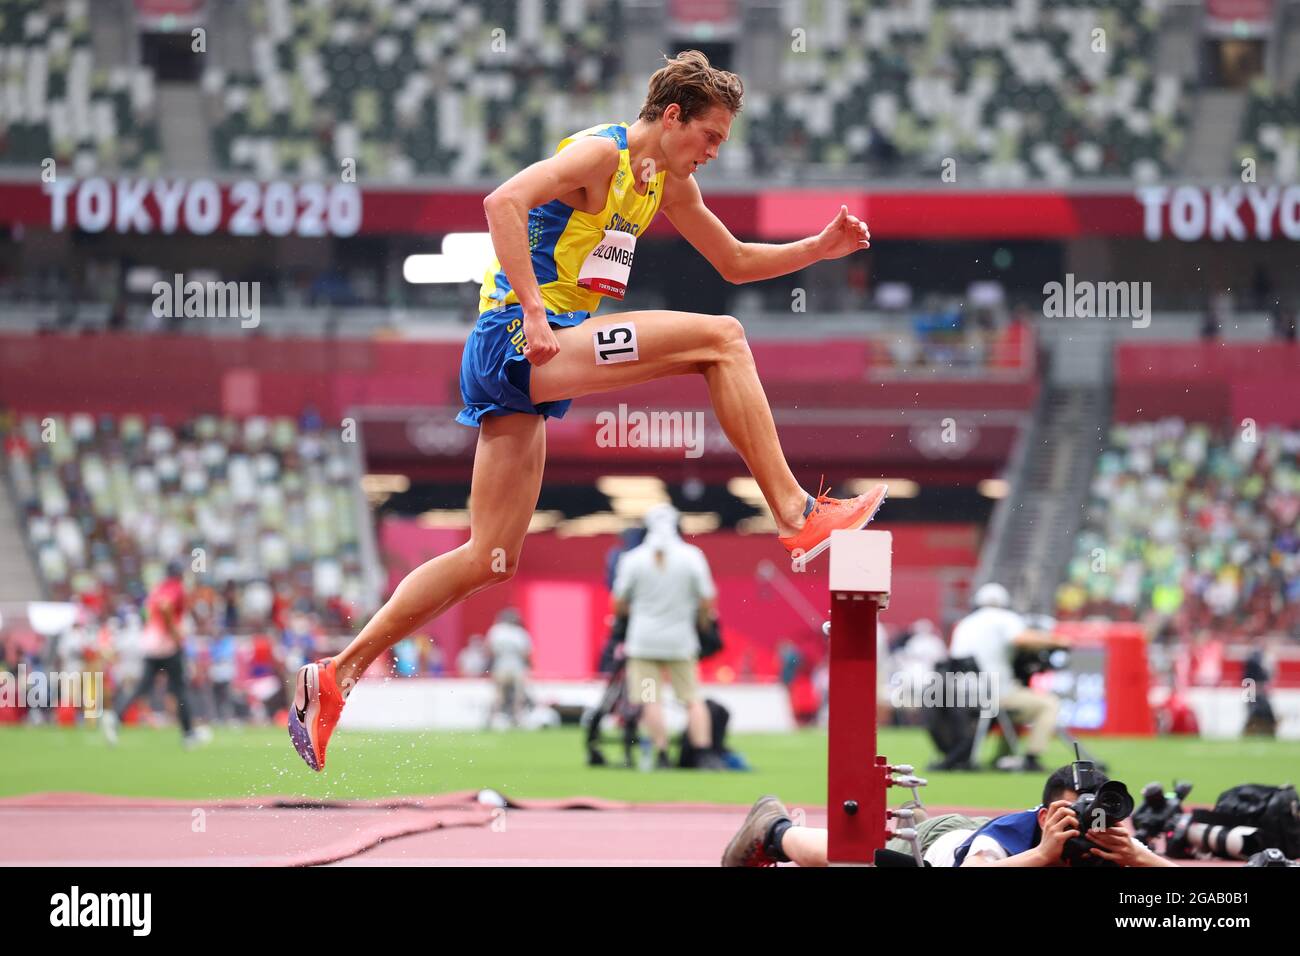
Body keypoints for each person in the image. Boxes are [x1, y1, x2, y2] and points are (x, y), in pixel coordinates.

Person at [288, 49, 885, 771]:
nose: (714, 153)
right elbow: (501, 202)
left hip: (533, 354)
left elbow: (732, 261)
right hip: (520, 337)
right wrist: (537, 314)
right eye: (710, 137)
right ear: (672, 117)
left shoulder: (662, 180)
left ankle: (336, 675)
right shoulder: (600, 152)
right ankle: (796, 513)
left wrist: (820, 247)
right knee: (722, 340)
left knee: (490, 555)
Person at [722, 765, 1178, 867]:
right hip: (943, 848)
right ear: (1043, 816)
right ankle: (775, 831)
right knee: (859, 861)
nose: (1082, 823)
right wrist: (1041, 855)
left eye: (1094, 813)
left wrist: (1140, 859)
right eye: (1068, 812)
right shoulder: (1008, 838)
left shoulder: (1105, 840)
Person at [612, 503, 721, 770]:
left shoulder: (633, 558)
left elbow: (618, 602)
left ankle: (661, 754)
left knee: (650, 698)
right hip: (680, 642)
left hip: (644, 643)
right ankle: (704, 753)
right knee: (692, 698)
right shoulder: (692, 556)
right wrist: (701, 622)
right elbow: (707, 599)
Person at [947, 583, 1061, 772]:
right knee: (1048, 704)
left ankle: (1003, 756)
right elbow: (1021, 639)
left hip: (961, 693)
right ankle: (1032, 758)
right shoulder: (1006, 619)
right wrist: (1058, 641)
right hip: (995, 692)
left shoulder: (965, 623)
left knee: (1014, 708)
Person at [101, 560, 209, 748]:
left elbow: (148, 612)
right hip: (167, 647)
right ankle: (189, 733)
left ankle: (115, 717)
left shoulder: (157, 588)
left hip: (152, 645)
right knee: (179, 690)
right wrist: (174, 633)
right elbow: (167, 607)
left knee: (143, 688)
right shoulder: (176, 588)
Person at [486, 608, 532, 727]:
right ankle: (517, 720)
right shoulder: (520, 633)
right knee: (518, 696)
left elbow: (489, 650)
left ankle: (493, 720)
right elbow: (526, 653)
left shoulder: (496, 631)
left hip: (500, 665)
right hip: (517, 666)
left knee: (498, 695)